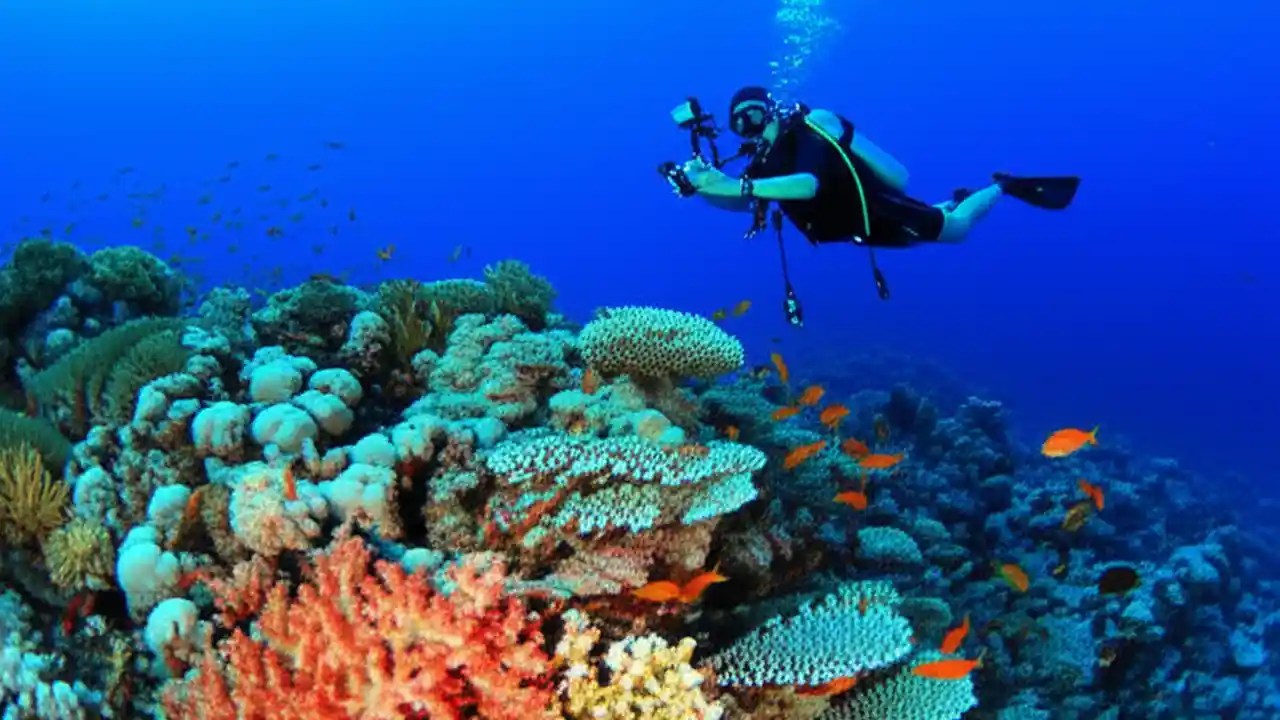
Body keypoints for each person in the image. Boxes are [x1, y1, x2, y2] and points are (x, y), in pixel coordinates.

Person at [682, 86, 1079, 249]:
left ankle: (1004, 186)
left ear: (771, 109)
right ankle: (951, 201)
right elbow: (741, 203)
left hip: (880, 209)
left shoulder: (808, 131)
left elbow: (808, 184)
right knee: (924, 231)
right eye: (739, 123)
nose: (749, 127)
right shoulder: (764, 163)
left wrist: (734, 185)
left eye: (753, 115)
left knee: (956, 230)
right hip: (856, 229)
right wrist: (703, 186)